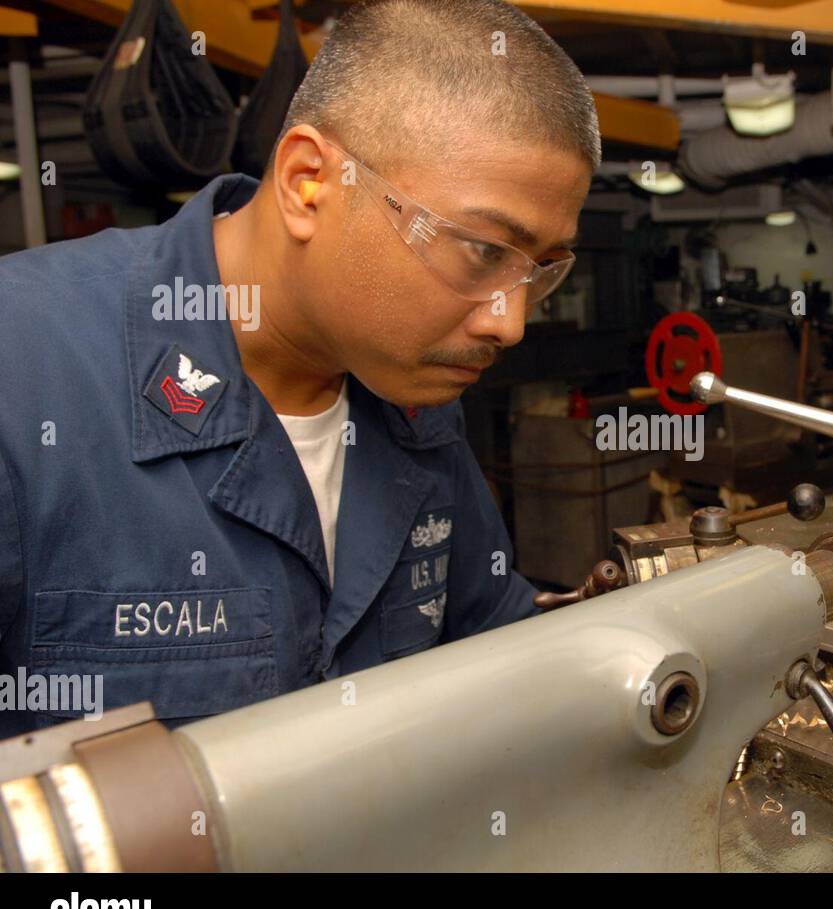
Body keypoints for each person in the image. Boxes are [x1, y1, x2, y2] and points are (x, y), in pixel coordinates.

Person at [0, 0, 599, 736]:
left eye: (542, 268)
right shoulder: (24, 372)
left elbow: (492, 642)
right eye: (480, 251)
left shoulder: (413, 390)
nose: (509, 322)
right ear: (309, 182)